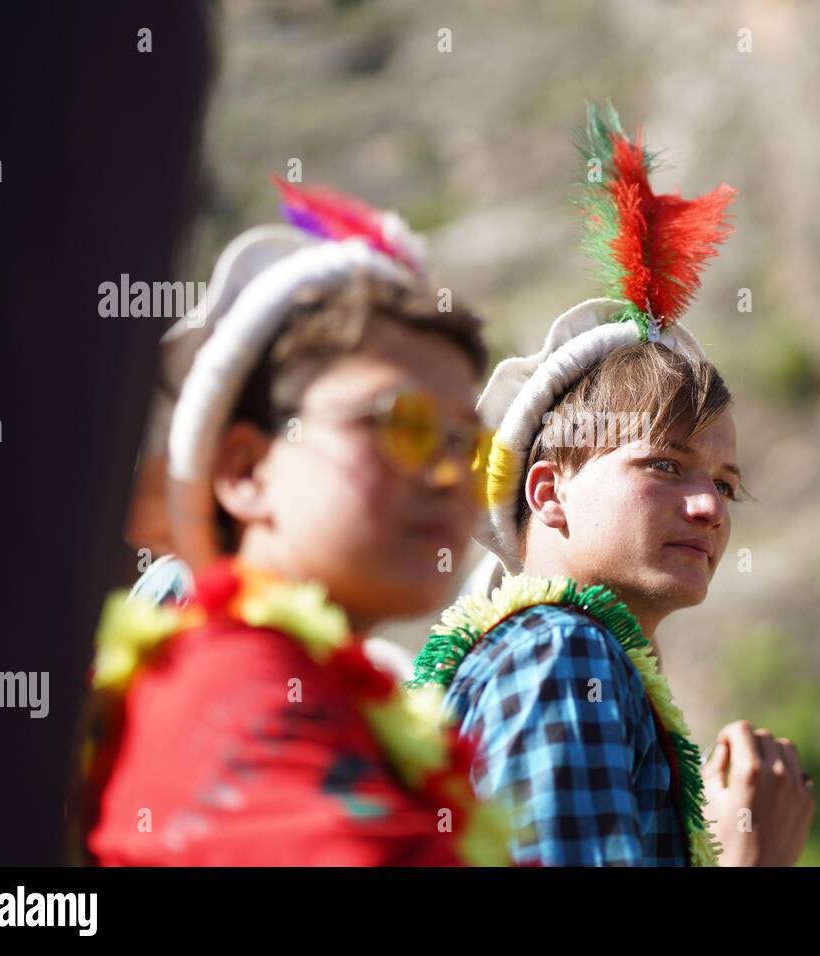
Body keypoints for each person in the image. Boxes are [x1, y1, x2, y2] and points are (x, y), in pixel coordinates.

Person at [411, 105, 815, 866]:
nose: (708, 507)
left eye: (726, 485)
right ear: (547, 493)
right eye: (664, 466)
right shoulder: (561, 655)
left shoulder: (563, 657)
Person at [77, 179, 512, 866]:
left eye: (470, 443)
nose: (450, 475)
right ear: (247, 471)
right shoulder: (226, 688)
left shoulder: (335, 698)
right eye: (403, 424)